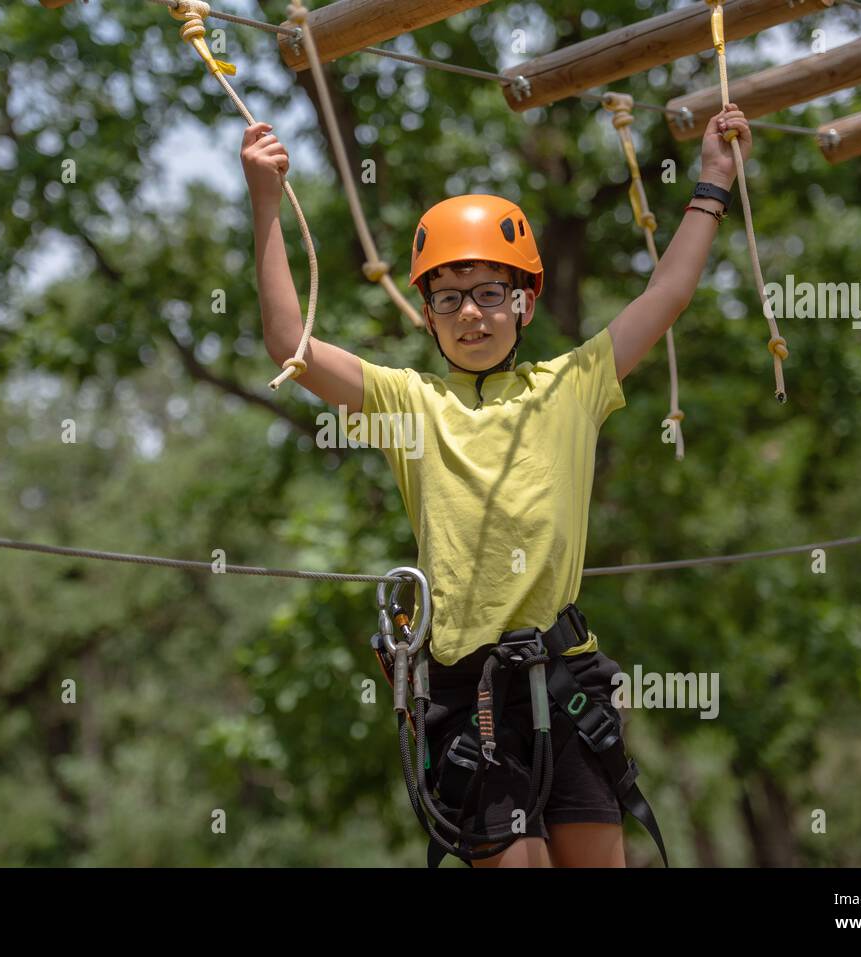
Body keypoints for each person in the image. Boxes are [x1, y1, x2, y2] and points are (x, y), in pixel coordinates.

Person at [241, 105, 752, 867]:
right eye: (447, 296)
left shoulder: (572, 384)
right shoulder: (407, 402)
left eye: (487, 291)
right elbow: (291, 342)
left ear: (526, 302)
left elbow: (668, 293)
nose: (469, 312)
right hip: (468, 689)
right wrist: (265, 203)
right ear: (426, 313)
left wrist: (712, 180)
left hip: (565, 677)